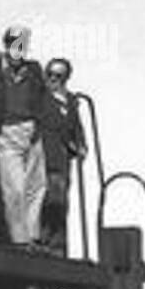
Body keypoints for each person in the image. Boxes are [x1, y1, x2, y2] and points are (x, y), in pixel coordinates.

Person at [0, 24, 48, 247]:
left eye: (23, 46)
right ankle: (19, 239)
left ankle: (33, 235)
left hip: (31, 131)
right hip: (6, 131)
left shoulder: (34, 69)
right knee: (15, 189)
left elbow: (42, 97)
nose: (19, 51)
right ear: (7, 46)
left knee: (37, 186)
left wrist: (38, 125)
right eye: (15, 45)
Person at [38, 58, 86, 255]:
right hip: (43, 158)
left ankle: (56, 244)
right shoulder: (40, 98)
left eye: (58, 76)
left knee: (60, 203)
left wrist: (80, 146)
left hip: (62, 160)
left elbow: (76, 128)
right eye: (50, 74)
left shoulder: (71, 103)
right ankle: (43, 241)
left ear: (66, 78)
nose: (53, 79)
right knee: (48, 201)